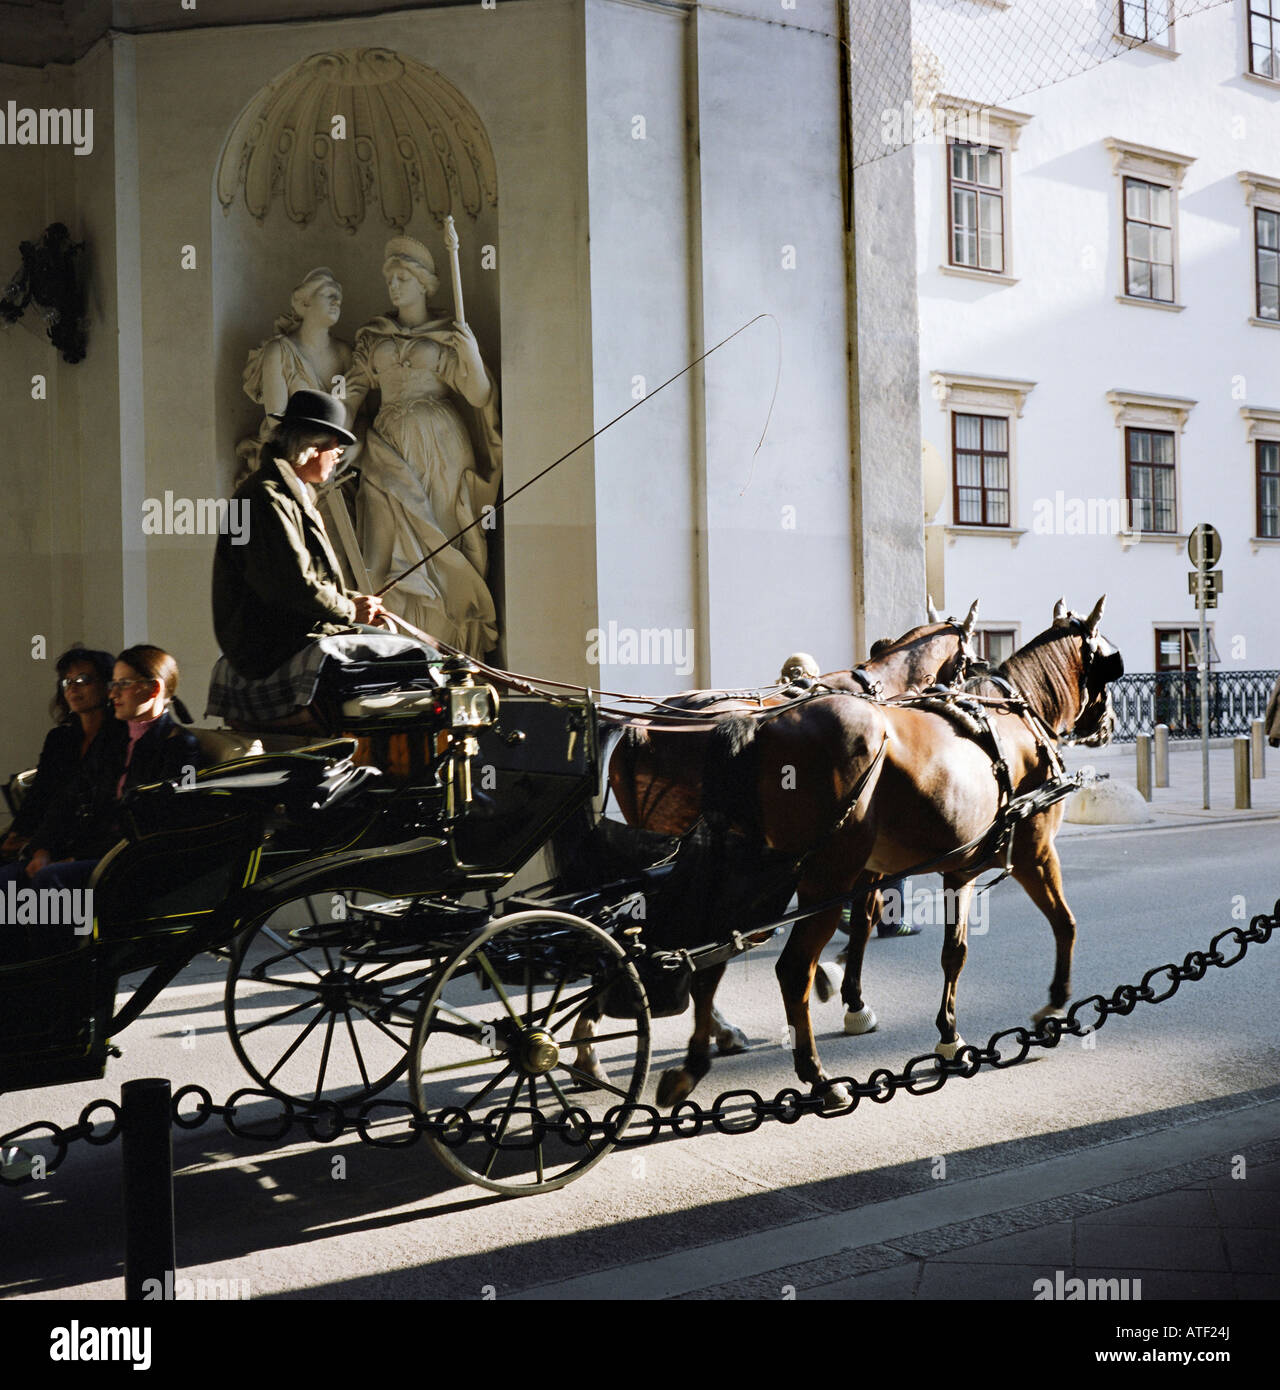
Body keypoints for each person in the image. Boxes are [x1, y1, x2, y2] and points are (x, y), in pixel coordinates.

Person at [346, 235, 502, 655]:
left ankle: (444, 646)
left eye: (402, 277)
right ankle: (387, 648)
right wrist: (339, 439)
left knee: (442, 541)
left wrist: (469, 355)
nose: (394, 286)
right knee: (381, 549)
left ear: (423, 282)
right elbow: (352, 393)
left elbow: (479, 397)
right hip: (386, 444)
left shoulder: (449, 334)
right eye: (390, 278)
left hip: (441, 445)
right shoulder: (373, 336)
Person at [0, 646, 201, 952]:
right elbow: (67, 800)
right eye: (113, 684)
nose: (113, 694)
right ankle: (19, 974)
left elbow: (155, 821)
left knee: (52, 881)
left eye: (122, 684)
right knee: (8, 880)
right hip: (94, 851)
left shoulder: (181, 747)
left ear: (153, 688)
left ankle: (64, 973)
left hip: (134, 858)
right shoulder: (112, 740)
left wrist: (76, 856)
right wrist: (43, 847)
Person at [2, 646, 125, 861]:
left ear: (108, 686)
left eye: (83, 679)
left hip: (87, 838)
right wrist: (17, 832)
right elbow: (39, 792)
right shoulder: (60, 738)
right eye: (68, 682)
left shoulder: (121, 736)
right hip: (47, 831)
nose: (73, 689)